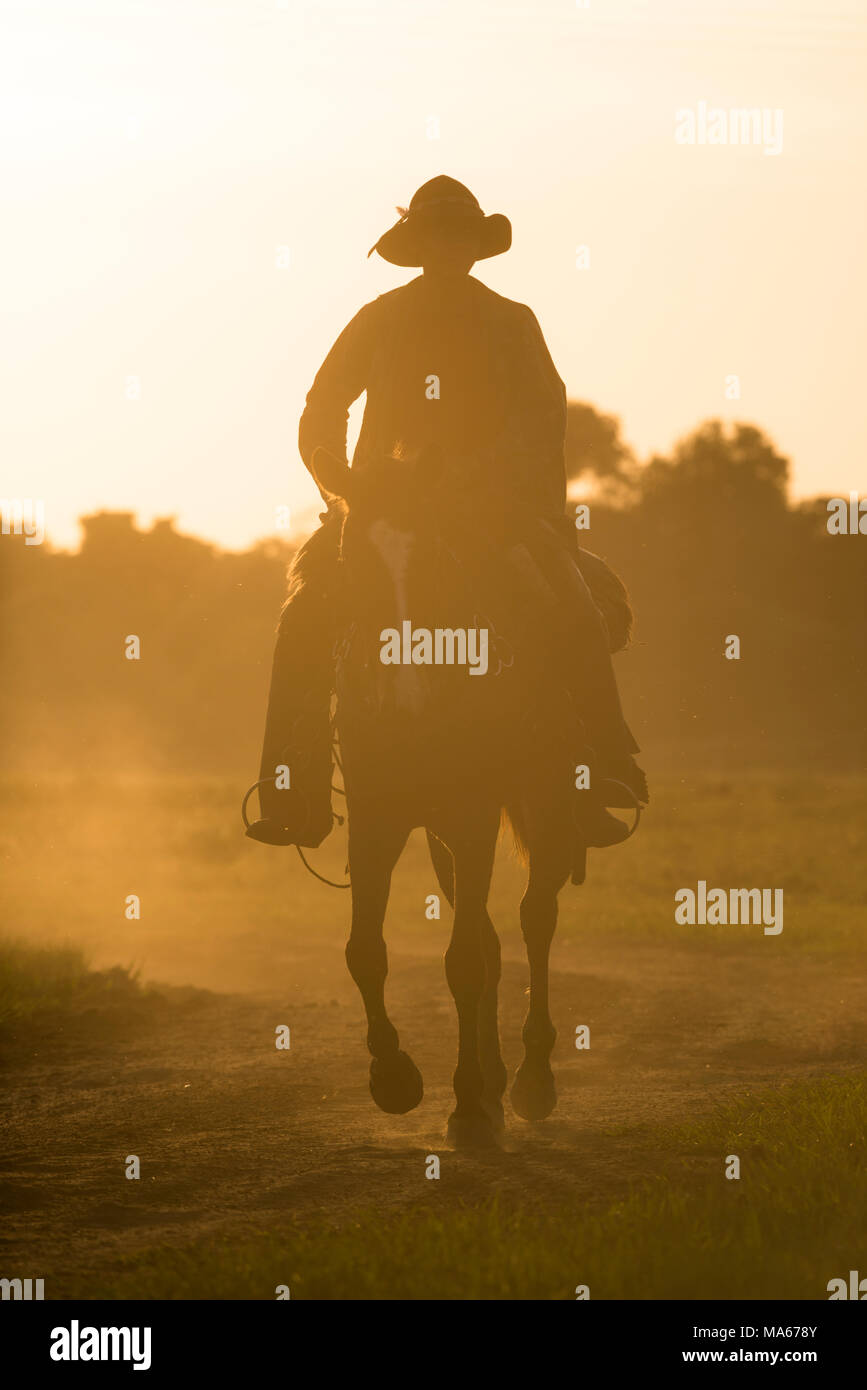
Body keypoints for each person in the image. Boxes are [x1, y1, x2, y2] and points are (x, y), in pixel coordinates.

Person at [246, 176, 647, 849]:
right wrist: (340, 485)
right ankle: (294, 790)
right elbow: (322, 407)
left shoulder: (511, 320)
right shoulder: (379, 318)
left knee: (571, 605)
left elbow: (541, 417)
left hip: (492, 512)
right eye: (438, 236)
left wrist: (484, 479)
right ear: (421, 245)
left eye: (458, 237)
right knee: (304, 617)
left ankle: (598, 766)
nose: (448, 248)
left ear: (472, 246)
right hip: (379, 512)